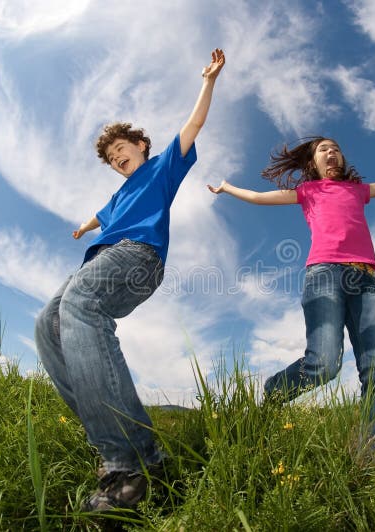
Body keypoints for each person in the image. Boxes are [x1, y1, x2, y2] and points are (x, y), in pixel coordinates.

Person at [34, 48, 225, 513]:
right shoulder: (117, 194)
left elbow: (194, 126)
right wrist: (83, 227)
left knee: (80, 302)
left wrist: (209, 81)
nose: (118, 158)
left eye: (123, 150)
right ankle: (112, 446)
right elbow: (100, 218)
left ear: (142, 146)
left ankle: (131, 464)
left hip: (139, 258)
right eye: (112, 157)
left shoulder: (162, 168)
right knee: (48, 324)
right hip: (100, 258)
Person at [207, 137, 375, 447]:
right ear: (312, 163)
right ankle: (275, 389)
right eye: (323, 150)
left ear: (342, 158)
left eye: (335, 149)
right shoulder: (308, 191)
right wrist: (228, 187)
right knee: (324, 365)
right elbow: (258, 196)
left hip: (366, 281)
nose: (331, 153)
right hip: (325, 275)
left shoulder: (358, 191)